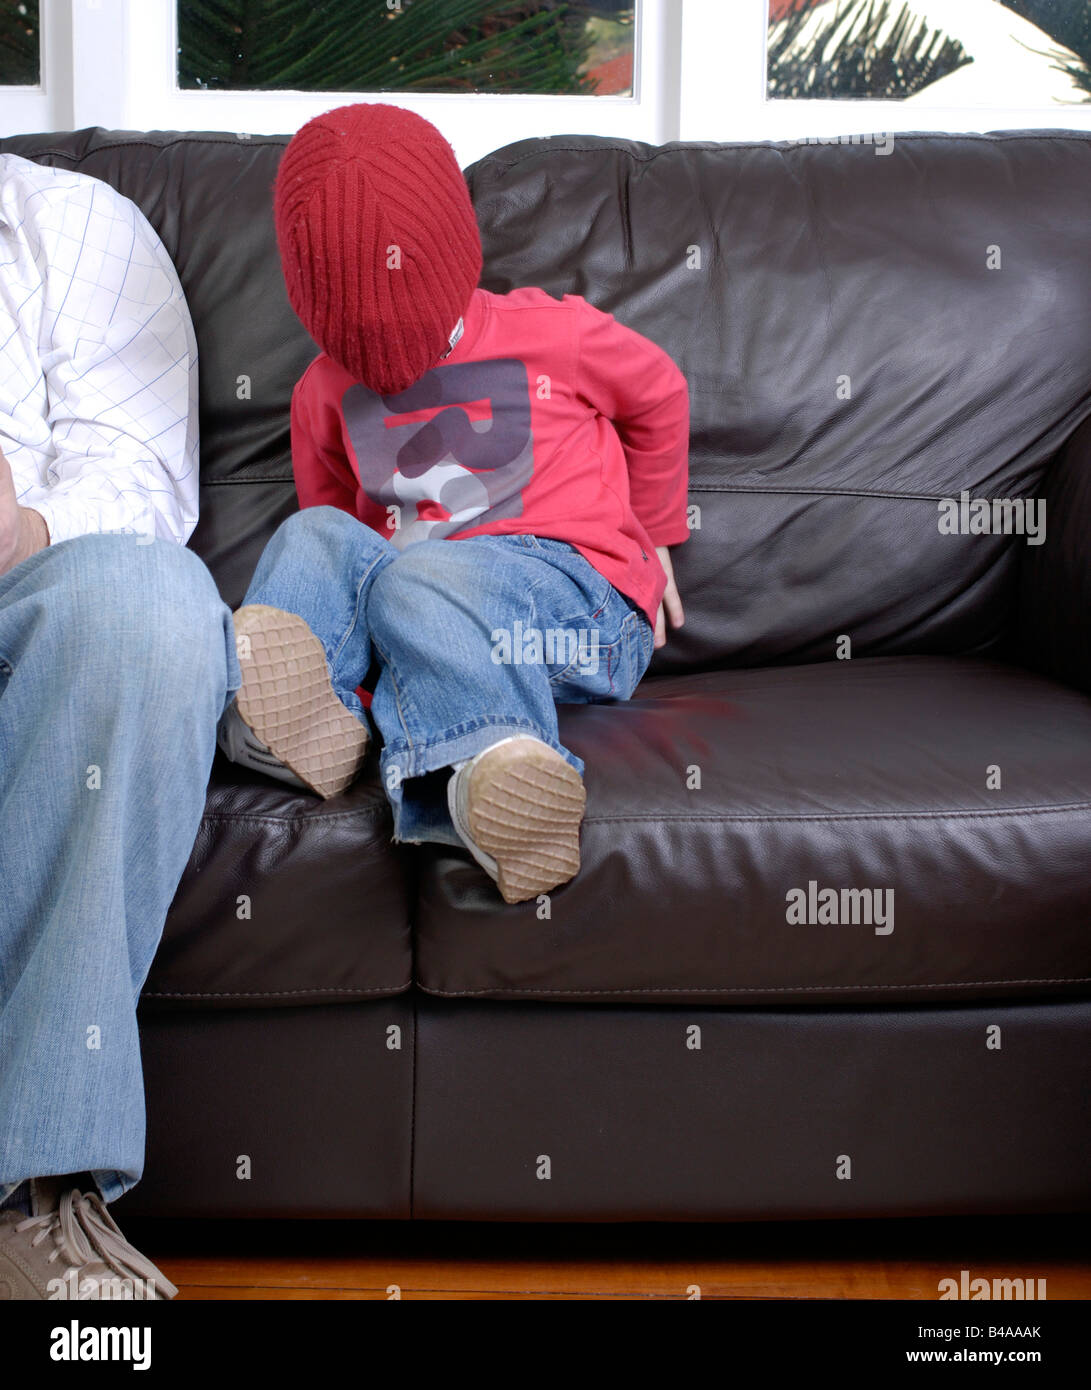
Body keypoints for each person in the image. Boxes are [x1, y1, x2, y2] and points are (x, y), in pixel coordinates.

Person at [216, 102, 690, 904]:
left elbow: (659, 395)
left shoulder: (555, 334)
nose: (384, 365)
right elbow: (346, 551)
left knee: (421, 576)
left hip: (571, 604)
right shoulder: (321, 394)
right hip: (416, 604)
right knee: (313, 536)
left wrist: (655, 530)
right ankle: (300, 723)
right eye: (358, 345)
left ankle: (491, 772)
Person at [0, 152, 237, 1300]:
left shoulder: (75, 230)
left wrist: (25, 524)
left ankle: (36, 1195)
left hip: (26, 594)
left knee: (150, 608)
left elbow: (142, 489)